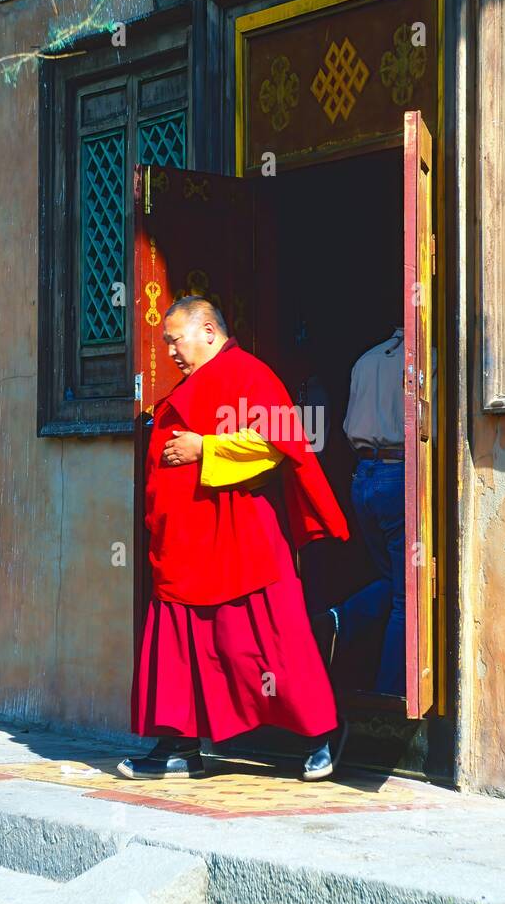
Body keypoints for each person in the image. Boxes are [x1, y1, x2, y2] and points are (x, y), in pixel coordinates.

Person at [119, 296, 351, 782]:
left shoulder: (248, 375)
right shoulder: (193, 384)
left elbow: (276, 447)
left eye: (175, 341)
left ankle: (321, 736)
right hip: (187, 541)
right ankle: (179, 746)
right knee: (181, 642)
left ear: (207, 330)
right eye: (166, 343)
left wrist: (205, 446)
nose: (172, 352)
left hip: (240, 535)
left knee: (268, 640)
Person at [313, 326, 406, 697]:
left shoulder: (366, 360)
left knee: (396, 581)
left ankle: (339, 620)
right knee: (407, 596)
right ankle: (390, 696)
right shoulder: (423, 359)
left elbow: (347, 425)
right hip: (399, 475)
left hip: (362, 478)